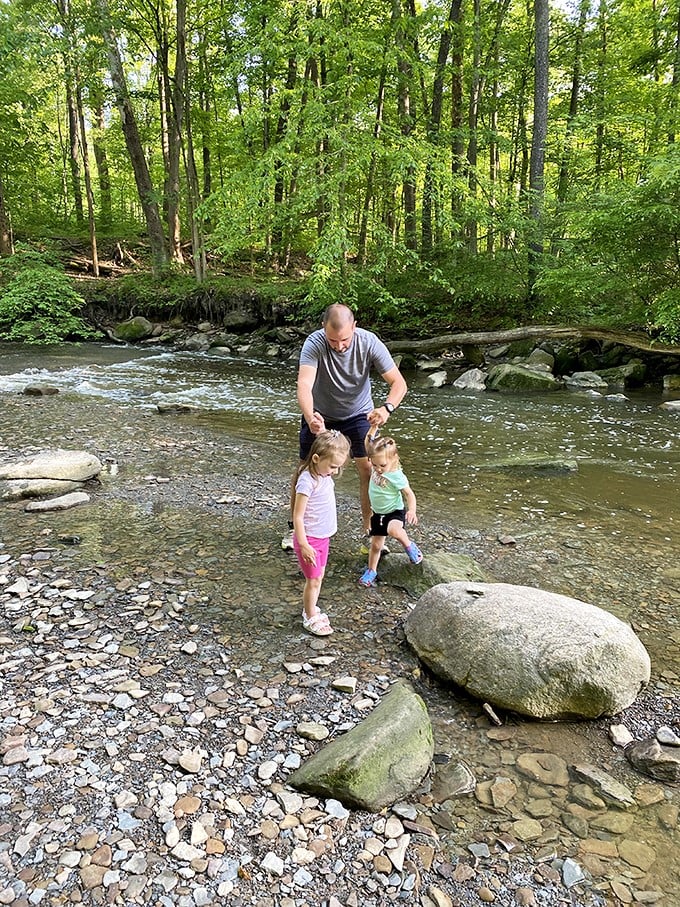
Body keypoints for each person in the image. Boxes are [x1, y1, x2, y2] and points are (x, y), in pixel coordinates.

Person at [283, 303, 408, 549]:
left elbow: (399, 383)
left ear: (355, 327)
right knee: (306, 469)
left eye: (344, 340)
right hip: (320, 414)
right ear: (323, 329)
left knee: (368, 470)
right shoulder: (314, 343)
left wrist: (386, 409)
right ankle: (296, 529)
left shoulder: (369, 342)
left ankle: (371, 529)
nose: (339, 346)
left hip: (359, 413)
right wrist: (310, 417)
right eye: (333, 340)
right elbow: (304, 385)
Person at [292, 429, 351, 636]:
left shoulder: (324, 475)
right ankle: (309, 616)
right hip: (310, 539)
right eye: (333, 466)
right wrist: (304, 543)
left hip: (322, 537)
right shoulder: (307, 481)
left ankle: (312, 607)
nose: (335, 471)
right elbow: (298, 516)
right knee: (313, 580)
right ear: (316, 458)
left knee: (320, 576)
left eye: (338, 467)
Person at [359, 429, 423, 588]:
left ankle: (409, 546)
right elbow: (368, 444)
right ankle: (371, 570)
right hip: (379, 513)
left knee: (394, 530)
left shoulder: (396, 475)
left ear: (394, 459)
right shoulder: (376, 463)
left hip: (394, 512)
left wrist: (412, 510)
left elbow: (409, 494)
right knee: (375, 546)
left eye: (382, 465)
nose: (378, 469)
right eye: (374, 465)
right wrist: (373, 429)